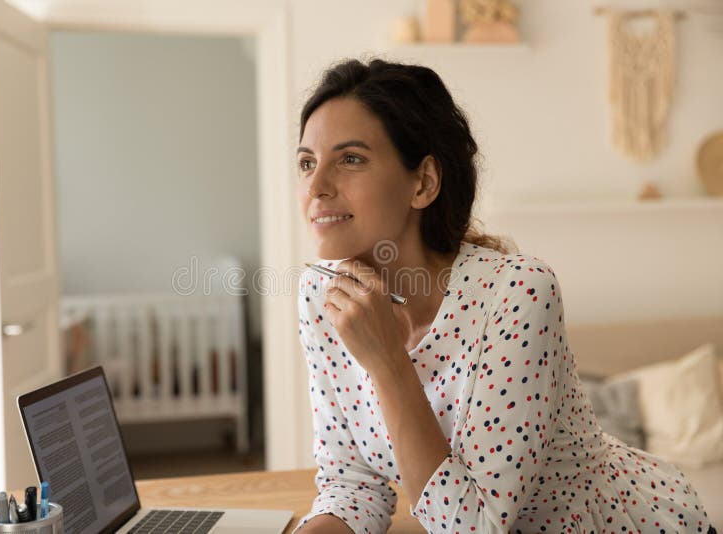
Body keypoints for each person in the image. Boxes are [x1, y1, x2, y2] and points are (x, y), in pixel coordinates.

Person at [292, 58, 714, 534]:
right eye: (307, 163)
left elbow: (476, 526)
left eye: (350, 159)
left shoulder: (517, 294)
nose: (316, 187)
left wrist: (388, 361)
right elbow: (352, 485)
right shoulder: (321, 296)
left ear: (423, 182)